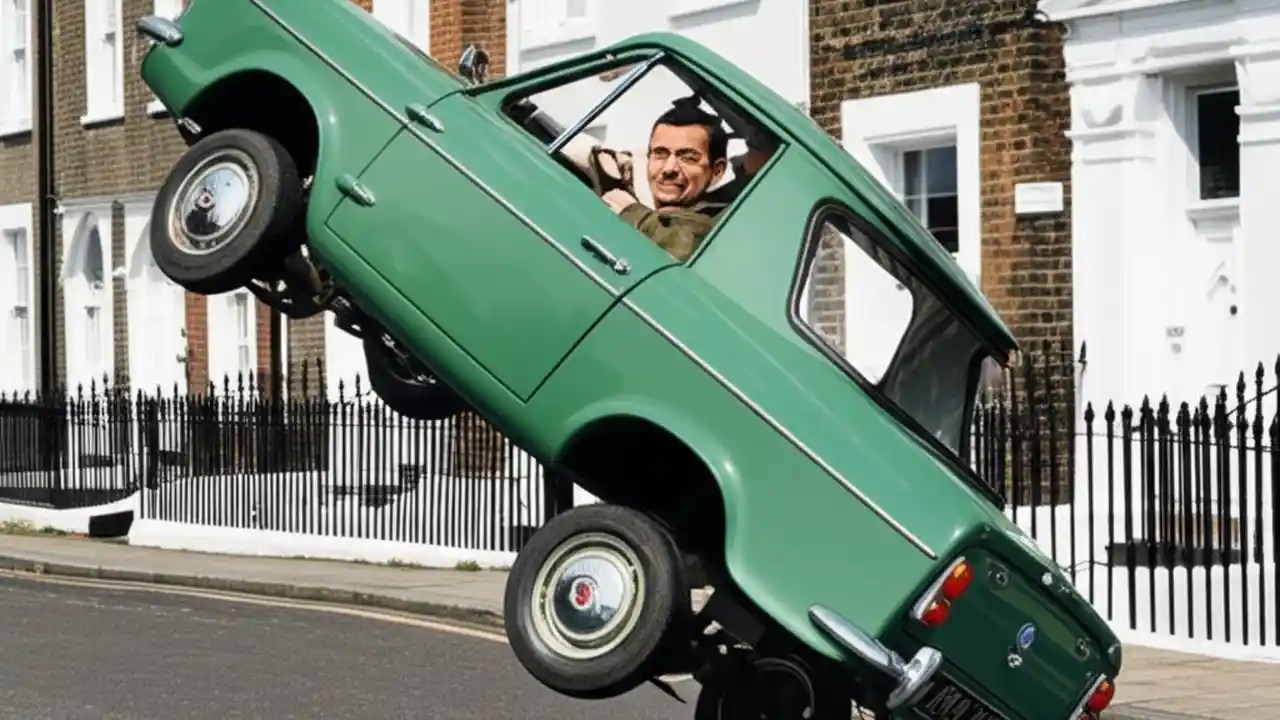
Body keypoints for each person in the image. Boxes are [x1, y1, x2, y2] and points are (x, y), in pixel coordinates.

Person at [601, 98, 730, 262]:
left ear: (716, 172)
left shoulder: (713, 228)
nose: (669, 169)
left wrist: (632, 213)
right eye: (660, 153)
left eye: (688, 158)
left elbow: (681, 250)